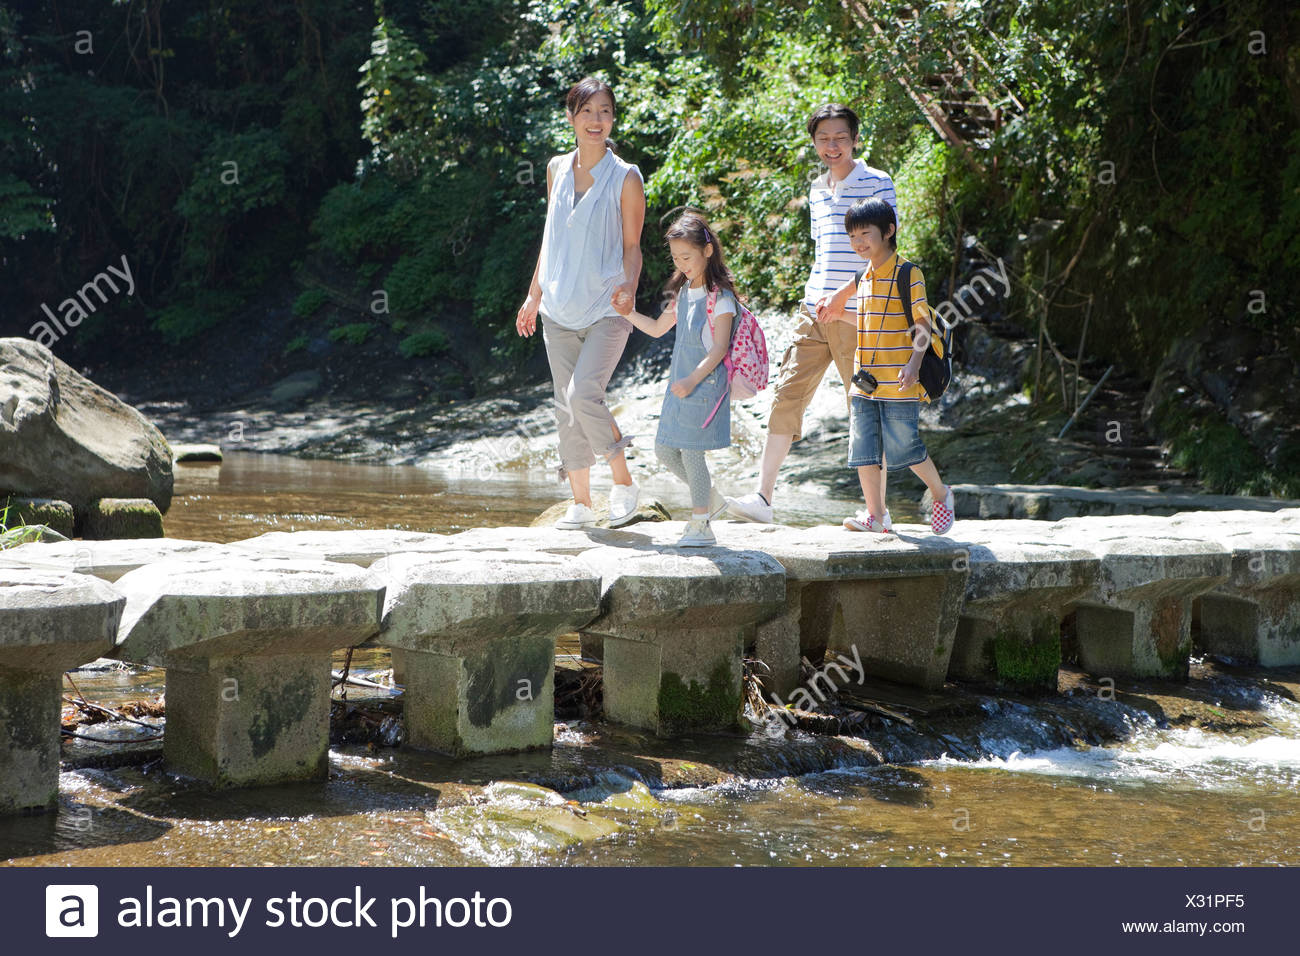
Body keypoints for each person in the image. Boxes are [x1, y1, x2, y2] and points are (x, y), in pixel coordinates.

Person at [725, 103, 900, 527]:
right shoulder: (817, 190)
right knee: (787, 396)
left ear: (855, 139)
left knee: (862, 408)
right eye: (823, 139)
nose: (832, 145)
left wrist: (843, 297)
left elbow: (886, 254)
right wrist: (818, 300)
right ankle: (763, 499)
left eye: (840, 137)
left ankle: (877, 514)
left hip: (860, 316)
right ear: (815, 143)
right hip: (812, 312)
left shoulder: (878, 182)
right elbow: (824, 253)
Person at [516, 77, 645, 530]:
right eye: (587, 111)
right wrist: (534, 295)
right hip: (557, 309)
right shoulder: (554, 169)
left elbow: (633, 247)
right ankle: (581, 504)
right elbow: (551, 239)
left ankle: (624, 482)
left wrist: (629, 288)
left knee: (583, 393)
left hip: (608, 308)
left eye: (605, 111)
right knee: (565, 406)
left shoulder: (626, 177)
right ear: (571, 117)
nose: (597, 120)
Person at [815, 197, 955, 535]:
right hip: (865, 381)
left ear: (889, 231)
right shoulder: (863, 278)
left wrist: (913, 364)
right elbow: (866, 322)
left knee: (904, 447)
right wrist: (836, 314)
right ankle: (876, 517)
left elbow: (922, 326)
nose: (859, 243)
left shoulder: (909, 273)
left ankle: (941, 493)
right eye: (853, 237)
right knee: (864, 450)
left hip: (902, 380)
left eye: (865, 234)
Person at [611, 211, 735, 547]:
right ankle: (710, 498)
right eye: (676, 258)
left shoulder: (720, 297)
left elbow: (720, 348)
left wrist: (693, 380)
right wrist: (628, 313)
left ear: (707, 251)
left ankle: (701, 524)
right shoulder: (683, 294)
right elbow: (655, 328)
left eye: (687, 257)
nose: (682, 265)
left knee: (693, 453)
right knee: (664, 450)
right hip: (679, 385)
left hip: (703, 384)